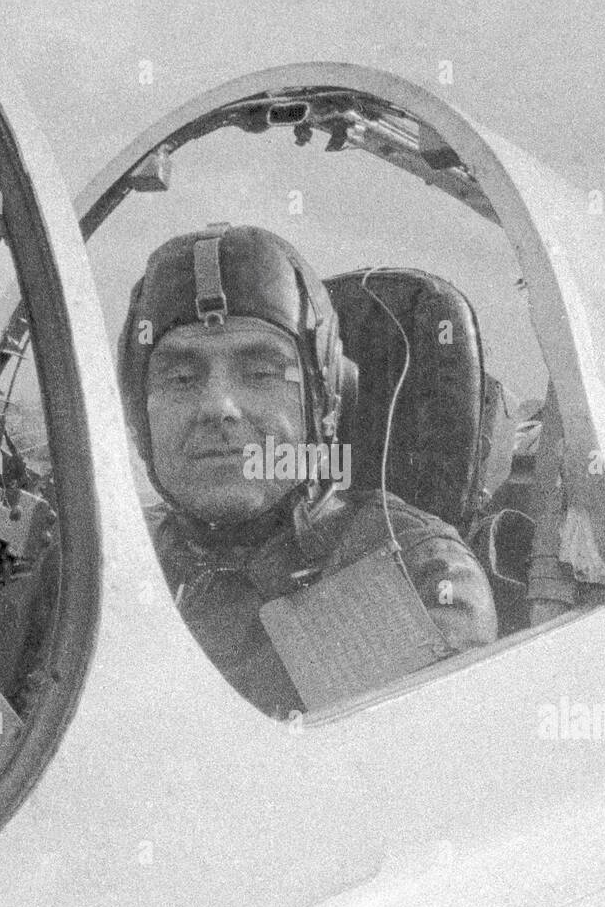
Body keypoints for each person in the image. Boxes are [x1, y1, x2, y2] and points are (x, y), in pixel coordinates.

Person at [118, 224, 497, 719]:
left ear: (325, 400)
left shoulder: (405, 569)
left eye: (261, 373)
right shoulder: (105, 556)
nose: (218, 407)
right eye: (181, 376)